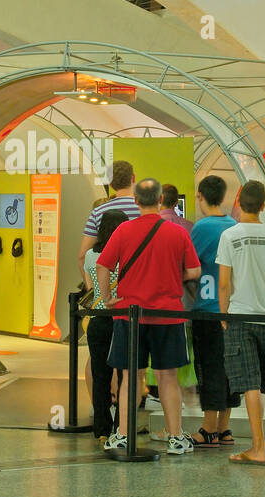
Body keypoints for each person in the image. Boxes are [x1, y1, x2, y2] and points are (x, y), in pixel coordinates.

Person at [96, 178, 201, 455]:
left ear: (136, 201)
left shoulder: (123, 231)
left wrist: (108, 299)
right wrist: (170, 276)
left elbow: (102, 265)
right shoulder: (177, 234)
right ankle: (176, 437)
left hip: (129, 315)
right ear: (160, 200)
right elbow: (194, 271)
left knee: (131, 375)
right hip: (168, 314)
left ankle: (123, 434)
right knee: (168, 377)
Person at [217, 181, 265, 464]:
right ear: (263, 206)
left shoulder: (229, 236)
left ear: (238, 202)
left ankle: (258, 448)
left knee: (251, 383)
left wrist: (225, 315)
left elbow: (224, 284)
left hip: (240, 316)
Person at [188, 176, 239, 448]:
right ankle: (223, 427)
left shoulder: (202, 227)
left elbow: (190, 263)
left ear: (200, 196)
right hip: (231, 308)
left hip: (207, 306)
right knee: (228, 368)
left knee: (208, 368)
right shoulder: (233, 226)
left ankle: (208, 429)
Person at [82, 210, 129, 444]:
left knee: (100, 376)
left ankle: (101, 429)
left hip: (98, 320)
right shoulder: (126, 254)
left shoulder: (91, 254)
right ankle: (122, 427)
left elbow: (90, 286)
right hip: (122, 319)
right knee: (124, 377)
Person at [78, 160, 139, 271]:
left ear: (110, 183)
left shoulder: (98, 212)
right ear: (133, 178)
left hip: (106, 281)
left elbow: (83, 256)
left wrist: (91, 287)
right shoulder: (147, 210)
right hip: (140, 280)